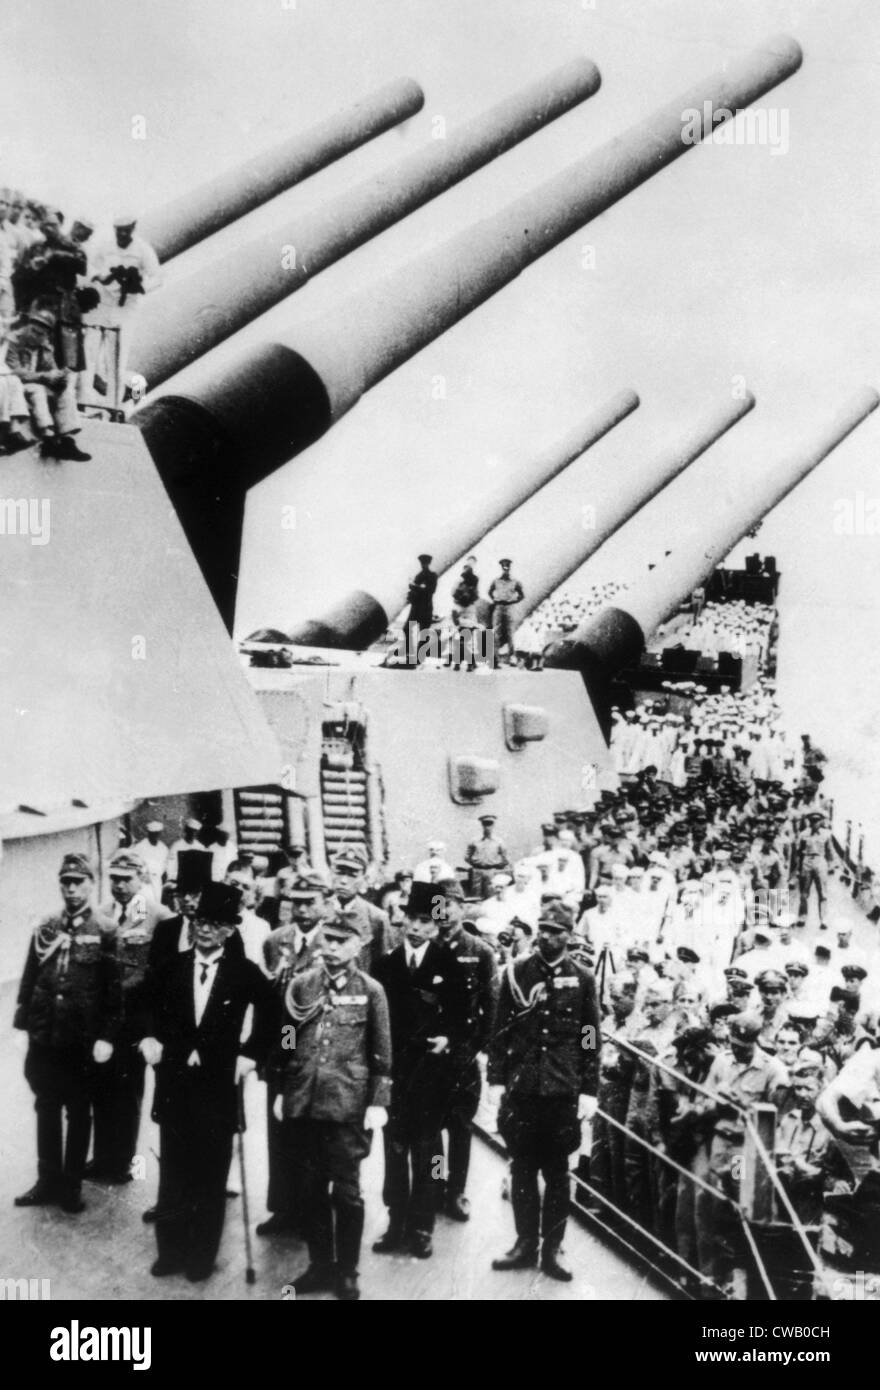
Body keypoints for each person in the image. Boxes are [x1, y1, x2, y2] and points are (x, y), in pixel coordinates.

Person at [142, 882, 275, 1282]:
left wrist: (251, 1054)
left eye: (216, 924)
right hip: (176, 1084)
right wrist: (147, 1036)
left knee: (211, 1174)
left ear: (230, 930)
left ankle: (201, 1254)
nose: (205, 929)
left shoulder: (244, 972)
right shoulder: (172, 966)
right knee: (173, 1173)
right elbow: (142, 1004)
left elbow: (275, 1018)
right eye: (201, 921)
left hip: (219, 1087)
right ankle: (170, 1251)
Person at [276, 914, 392, 1300]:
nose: (331, 947)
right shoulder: (301, 985)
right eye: (327, 940)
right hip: (305, 1103)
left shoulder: (372, 990)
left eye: (341, 941)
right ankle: (319, 1266)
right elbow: (288, 1040)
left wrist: (378, 1101)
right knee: (308, 1189)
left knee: (346, 1193)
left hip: (346, 1109)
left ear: (358, 945)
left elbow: (381, 1053)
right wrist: (283, 1089)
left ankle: (347, 1270)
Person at [488, 900, 600, 1281]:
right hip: (523, 1088)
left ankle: (552, 1248)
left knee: (556, 1172)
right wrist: (497, 1079)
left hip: (562, 1091)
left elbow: (589, 1036)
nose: (548, 937)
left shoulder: (583, 978)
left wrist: (589, 1090)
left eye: (557, 931)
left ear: (569, 936)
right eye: (544, 930)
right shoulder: (517, 972)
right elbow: (501, 1028)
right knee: (521, 1168)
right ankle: (524, 1244)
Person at [13, 854, 120, 1214]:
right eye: (65, 882)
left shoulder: (106, 930)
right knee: (45, 1105)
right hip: (45, 1035)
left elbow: (113, 992)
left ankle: (71, 1185)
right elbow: (31, 976)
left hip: (80, 1039)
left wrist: (107, 1036)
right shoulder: (45, 925)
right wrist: (21, 1023)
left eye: (78, 882)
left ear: (91, 884)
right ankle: (48, 1180)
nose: (71, 889)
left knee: (78, 1110)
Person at [372, 881, 467, 1258]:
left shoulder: (449, 965)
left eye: (426, 922)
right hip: (395, 1074)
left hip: (431, 1078)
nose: (417, 928)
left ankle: (422, 1227)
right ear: (402, 920)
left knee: (429, 1154)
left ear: (436, 926)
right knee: (394, 1150)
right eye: (412, 919)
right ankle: (396, 1222)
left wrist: (447, 1038)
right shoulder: (384, 965)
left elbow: (463, 1018)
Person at [90, 848, 174, 1182]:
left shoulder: (159, 915)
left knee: (126, 1092)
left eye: (127, 878)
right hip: (104, 1018)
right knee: (100, 1087)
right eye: (115, 878)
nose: (120, 885)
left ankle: (122, 1163)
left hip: (136, 1018)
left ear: (142, 878)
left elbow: (162, 975)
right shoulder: (102, 912)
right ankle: (101, 1157)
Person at [258, 871, 328, 1237]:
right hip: (282, 1051)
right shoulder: (275, 941)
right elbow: (269, 1004)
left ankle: (311, 1211)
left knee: (313, 1139)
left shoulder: (335, 942)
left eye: (310, 902)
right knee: (280, 1133)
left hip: (318, 1055)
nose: (302, 909)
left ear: (325, 903)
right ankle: (282, 1208)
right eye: (297, 902)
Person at [433, 879, 499, 1219]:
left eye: (449, 904)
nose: (442, 912)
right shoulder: (423, 946)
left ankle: (456, 1191)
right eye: (437, 905)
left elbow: (492, 1004)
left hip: (462, 1055)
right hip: (427, 1056)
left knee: (460, 1127)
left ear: (462, 908)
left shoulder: (480, 951)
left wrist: (477, 1049)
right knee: (431, 1127)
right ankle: (434, 1184)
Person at [89, 213, 161, 406]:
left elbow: (156, 277)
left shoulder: (142, 250)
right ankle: (93, 397)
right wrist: (102, 276)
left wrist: (139, 287)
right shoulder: (105, 245)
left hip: (126, 305)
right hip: (103, 301)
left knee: (118, 355)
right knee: (92, 349)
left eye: (125, 231)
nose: (121, 235)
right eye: (118, 231)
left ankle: (114, 405)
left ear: (132, 229)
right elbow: (90, 265)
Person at [3, 308, 91, 459]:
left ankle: (67, 440)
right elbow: (14, 371)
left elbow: (52, 370)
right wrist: (44, 377)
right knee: (38, 389)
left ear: (47, 335)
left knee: (66, 392)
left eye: (40, 334)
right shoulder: (13, 341)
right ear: (27, 326)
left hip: (37, 384)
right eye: (33, 330)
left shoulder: (46, 348)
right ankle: (48, 436)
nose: (34, 336)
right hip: (16, 386)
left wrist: (60, 378)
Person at [325, 844, 394, 973]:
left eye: (352, 875)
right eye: (339, 873)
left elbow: (385, 968)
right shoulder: (317, 910)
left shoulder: (376, 918)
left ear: (363, 879)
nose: (344, 881)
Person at [488, 558, 524, 666]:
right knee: (495, 632)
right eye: (504, 568)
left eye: (507, 568)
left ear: (509, 569)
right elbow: (490, 592)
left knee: (510, 632)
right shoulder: (496, 581)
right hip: (499, 606)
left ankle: (512, 657)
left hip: (509, 607)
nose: (505, 570)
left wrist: (514, 601)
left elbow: (521, 595)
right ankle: (494, 658)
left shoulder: (515, 582)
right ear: (501, 569)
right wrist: (495, 600)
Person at [465, 813, 510, 899]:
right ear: (482, 825)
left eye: (490, 824)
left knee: (490, 895)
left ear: (493, 825)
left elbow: (505, 858)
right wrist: (476, 863)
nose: (487, 827)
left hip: (491, 871)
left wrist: (496, 865)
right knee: (475, 895)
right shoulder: (474, 840)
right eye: (485, 824)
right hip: (476, 871)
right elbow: (467, 856)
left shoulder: (499, 841)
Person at [132, 820, 170, 902]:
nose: (155, 836)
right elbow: (134, 863)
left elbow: (166, 865)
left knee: (156, 904)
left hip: (157, 881)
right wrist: (142, 874)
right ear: (148, 833)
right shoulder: (139, 847)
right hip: (143, 881)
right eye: (152, 833)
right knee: (142, 904)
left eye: (157, 833)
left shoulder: (163, 848)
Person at [404, 553, 438, 645]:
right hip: (418, 608)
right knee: (407, 629)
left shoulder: (432, 576)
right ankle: (410, 653)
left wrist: (415, 587)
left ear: (428, 563)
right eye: (422, 563)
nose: (423, 565)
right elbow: (418, 591)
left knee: (423, 633)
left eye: (425, 563)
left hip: (424, 608)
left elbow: (430, 590)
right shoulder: (419, 576)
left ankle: (418, 656)